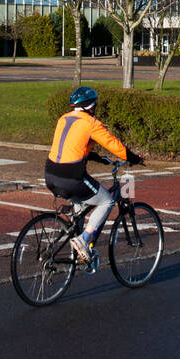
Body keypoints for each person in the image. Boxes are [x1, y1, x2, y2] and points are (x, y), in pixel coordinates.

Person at [46, 86, 143, 262]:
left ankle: (75, 254)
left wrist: (97, 158)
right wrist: (134, 158)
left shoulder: (63, 119)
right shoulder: (91, 123)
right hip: (71, 178)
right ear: (91, 107)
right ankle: (83, 240)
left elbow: (70, 147)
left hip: (50, 175)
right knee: (107, 201)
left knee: (81, 203)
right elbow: (115, 145)